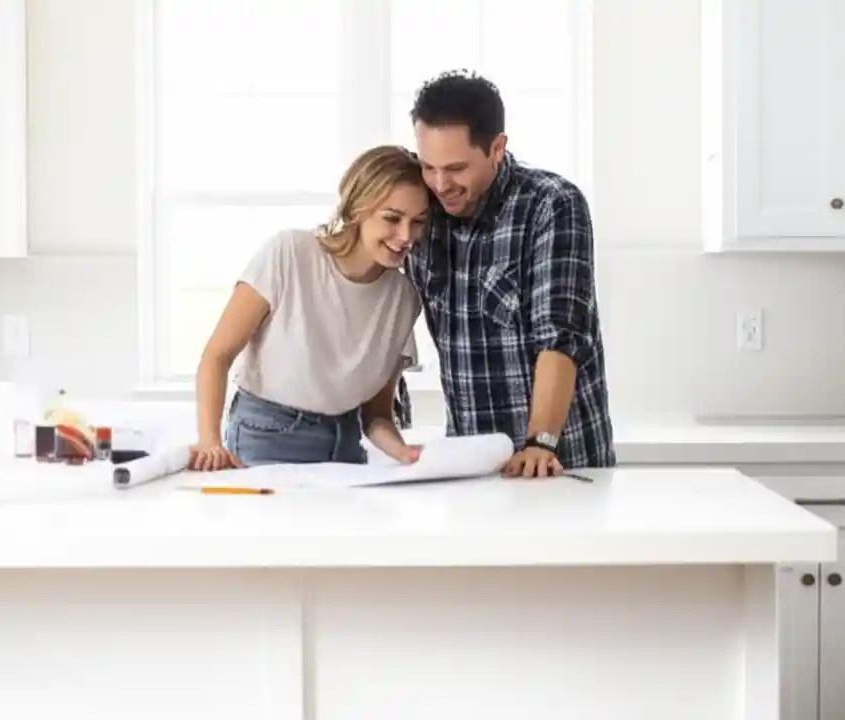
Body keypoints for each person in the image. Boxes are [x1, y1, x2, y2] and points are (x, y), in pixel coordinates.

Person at [405, 70, 616, 477]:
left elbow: (560, 336)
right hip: (472, 464)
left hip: (559, 459)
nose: (440, 184)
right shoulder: (423, 213)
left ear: (497, 147)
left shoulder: (551, 205)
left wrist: (540, 442)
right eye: (428, 167)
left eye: (456, 168)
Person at [190, 145, 428, 471]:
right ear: (358, 209)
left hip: (346, 441)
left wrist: (404, 453)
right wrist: (209, 441)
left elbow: (376, 415)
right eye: (392, 218)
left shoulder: (403, 298)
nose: (405, 236)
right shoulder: (289, 254)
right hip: (268, 435)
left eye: (418, 222)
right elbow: (216, 356)